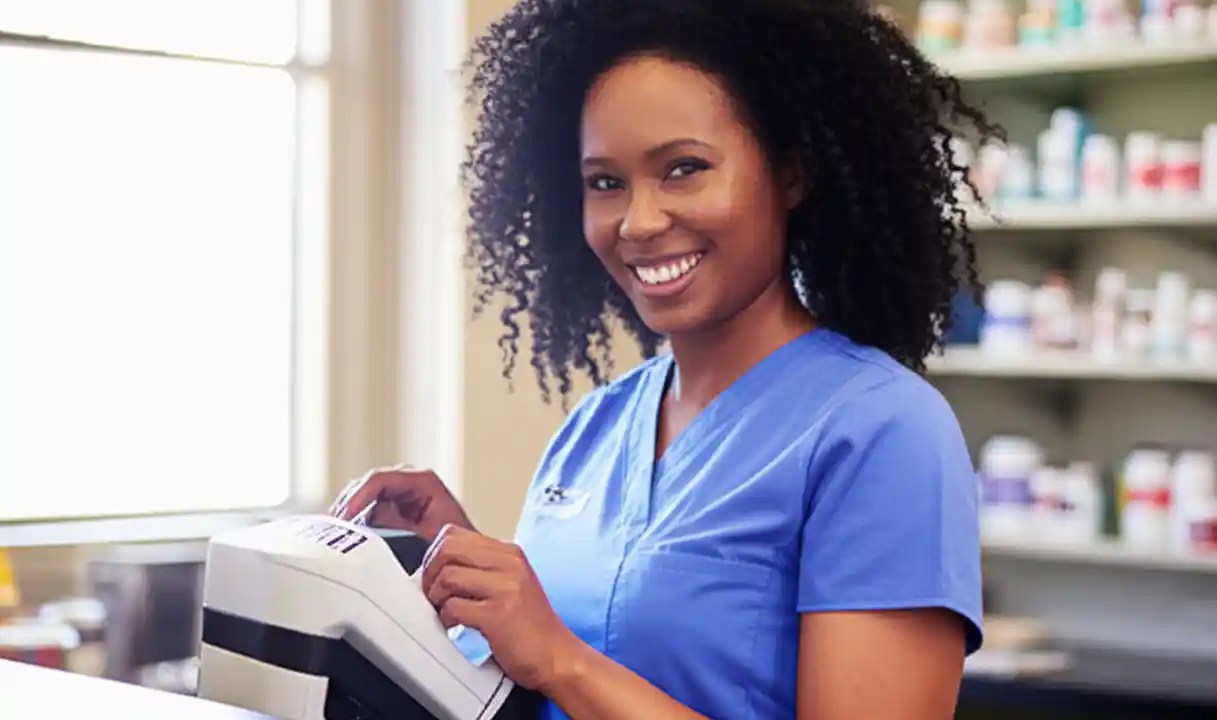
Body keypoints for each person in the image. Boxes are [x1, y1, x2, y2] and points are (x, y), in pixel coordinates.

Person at [331, 0, 1000, 717]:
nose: (639, 221)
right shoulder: (595, 428)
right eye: (605, 183)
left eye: (683, 169)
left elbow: (563, 658)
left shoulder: (882, 432)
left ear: (792, 173)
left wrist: (560, 658)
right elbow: (547, 670)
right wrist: (461, 571)